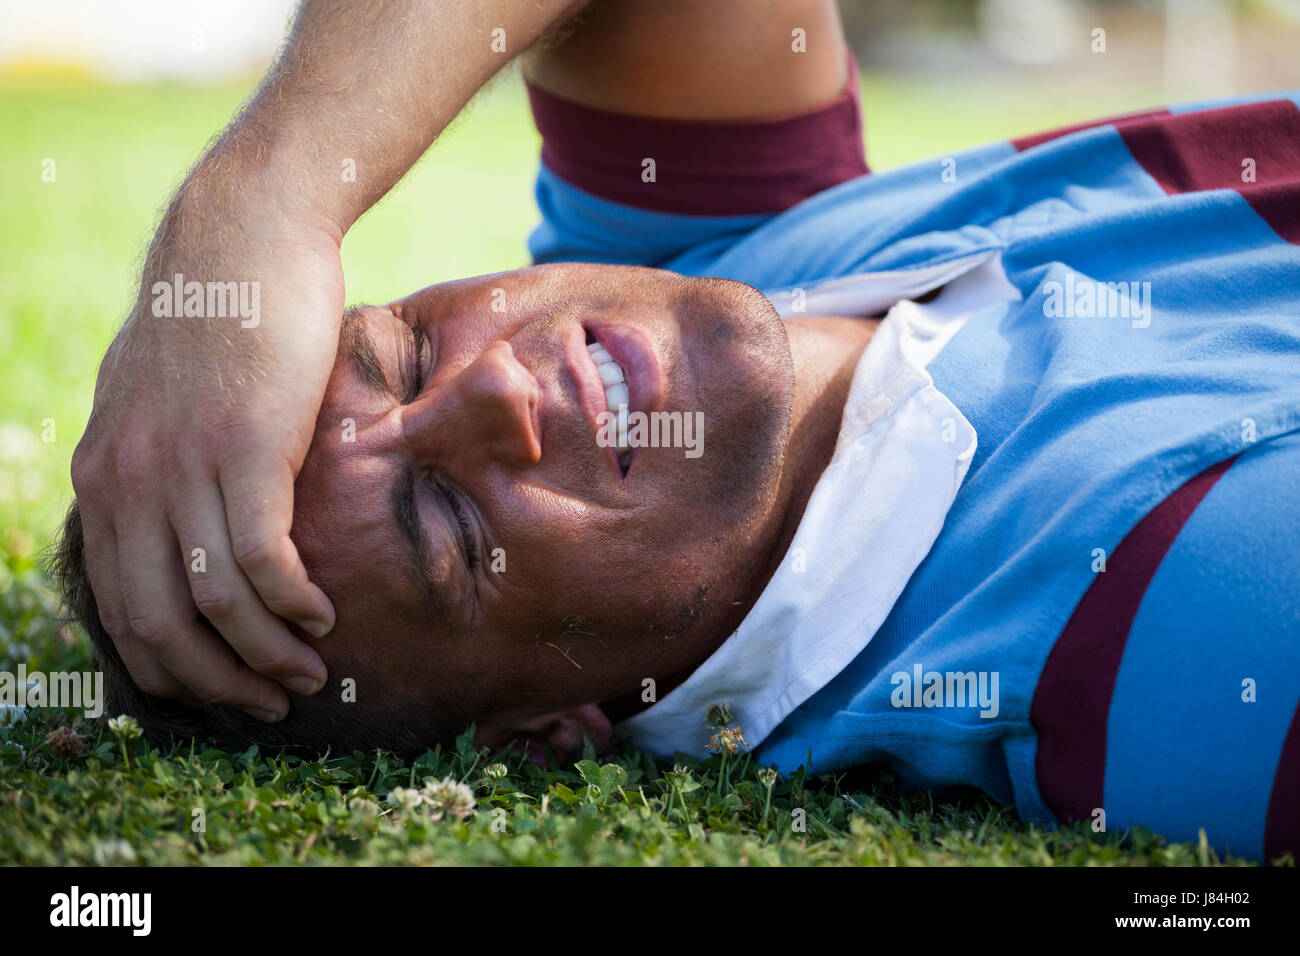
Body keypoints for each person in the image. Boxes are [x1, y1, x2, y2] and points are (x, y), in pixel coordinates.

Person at [55, 0, 1300, 861]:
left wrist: (259, 204)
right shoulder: (1140, 636)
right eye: (446, 518)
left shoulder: (705, 251)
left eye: (409, 352)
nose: (493, 396)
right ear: (544, 734)